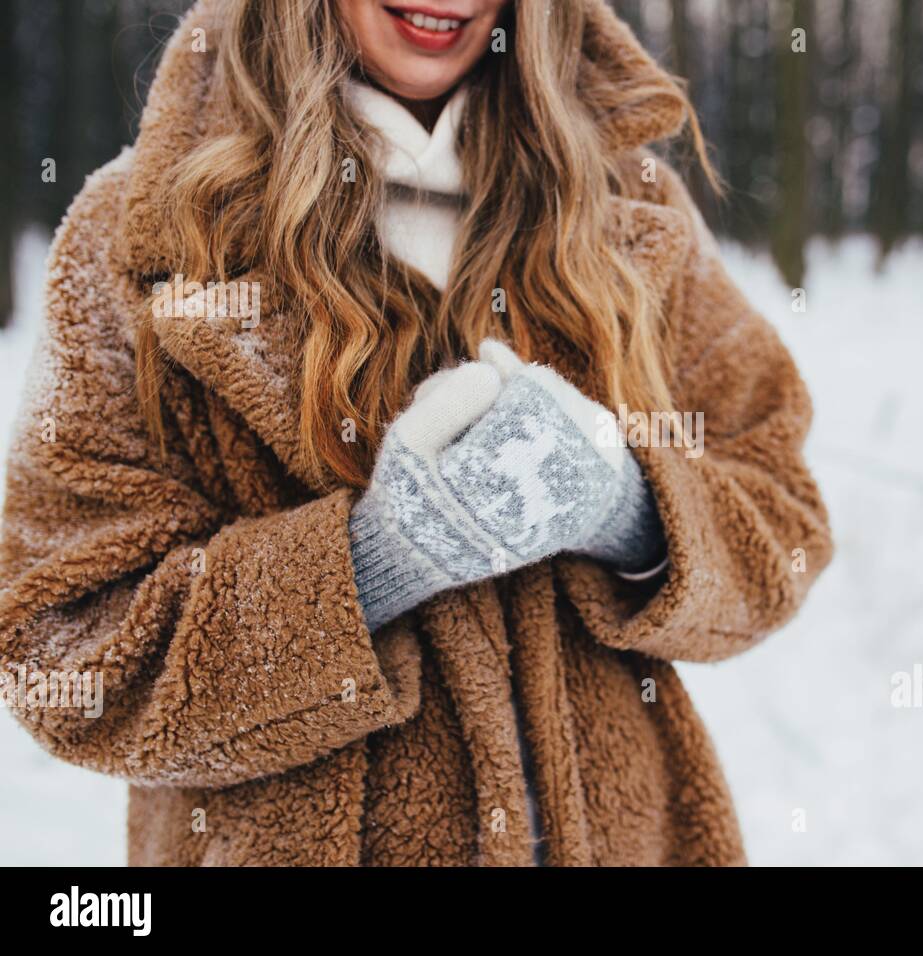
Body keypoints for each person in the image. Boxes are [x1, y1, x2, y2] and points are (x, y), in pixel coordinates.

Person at [0, 0, 831, 866]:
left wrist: (626, 508)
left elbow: (782, 515)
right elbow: (61, 654)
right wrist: (373, 561)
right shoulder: (144, 231)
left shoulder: (626, 204)